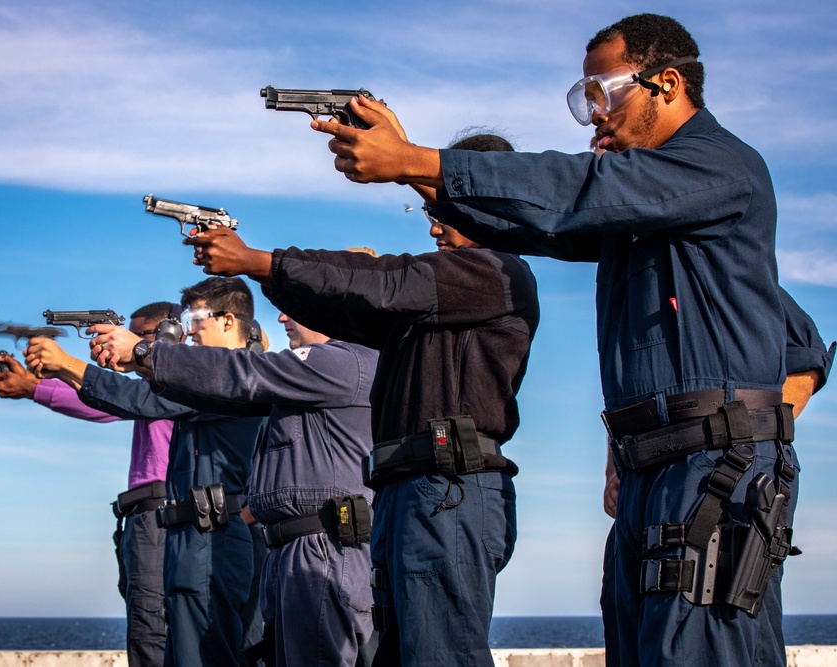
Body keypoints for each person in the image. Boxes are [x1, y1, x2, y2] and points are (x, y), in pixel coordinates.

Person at [307, 11, 804, 666]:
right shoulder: (638, 212)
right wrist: (413, 174)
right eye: (583, 98)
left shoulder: (718, 167)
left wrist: (416, 158)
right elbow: (545, 222)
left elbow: (580, 190)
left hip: (714, 469)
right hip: (653, 471)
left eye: (605, 93)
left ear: (667, 84)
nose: (593, 113)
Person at [183, 131, 539, 667]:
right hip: (413, 492)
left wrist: (261, 262)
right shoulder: (444, 290)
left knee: (440, 656)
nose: (435, 225)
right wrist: (262, 271)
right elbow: (346, 311)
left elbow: (383, 281)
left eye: (445, 208)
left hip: (449, 491)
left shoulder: (490, 272)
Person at [89, 306, 379, 667]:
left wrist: (146, 354)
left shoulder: (339, 363)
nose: (283, 318)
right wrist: (148, 364)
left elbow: (237, 376)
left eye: (296, 308)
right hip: (290, 545)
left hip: (314, 546)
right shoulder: (309, 373)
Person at [27, 277, 267, 667]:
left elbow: (141, 400)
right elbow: (143, 398)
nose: (190, 330)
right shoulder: (227, 373)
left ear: (227, 321)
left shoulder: (230, 374)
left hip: (210, 534)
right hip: (196, 532)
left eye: (198, 319)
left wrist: (66, 364)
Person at [599, 287, 835, 665]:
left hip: (715, 487)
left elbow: (806, 358)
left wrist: (734, 432)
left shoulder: (716, 276)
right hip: (647, 496)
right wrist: (616, 467)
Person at [0, 301, 181, 667]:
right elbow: (108, 400)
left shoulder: (173, 385)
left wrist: (44, 382)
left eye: (137, 336)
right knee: (156, 629)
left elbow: (112, 402)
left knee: (151, 633)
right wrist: (37, 386)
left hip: (158, 515)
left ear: (168, 336)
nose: (121, 342)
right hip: (150, 516)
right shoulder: (166, 385)